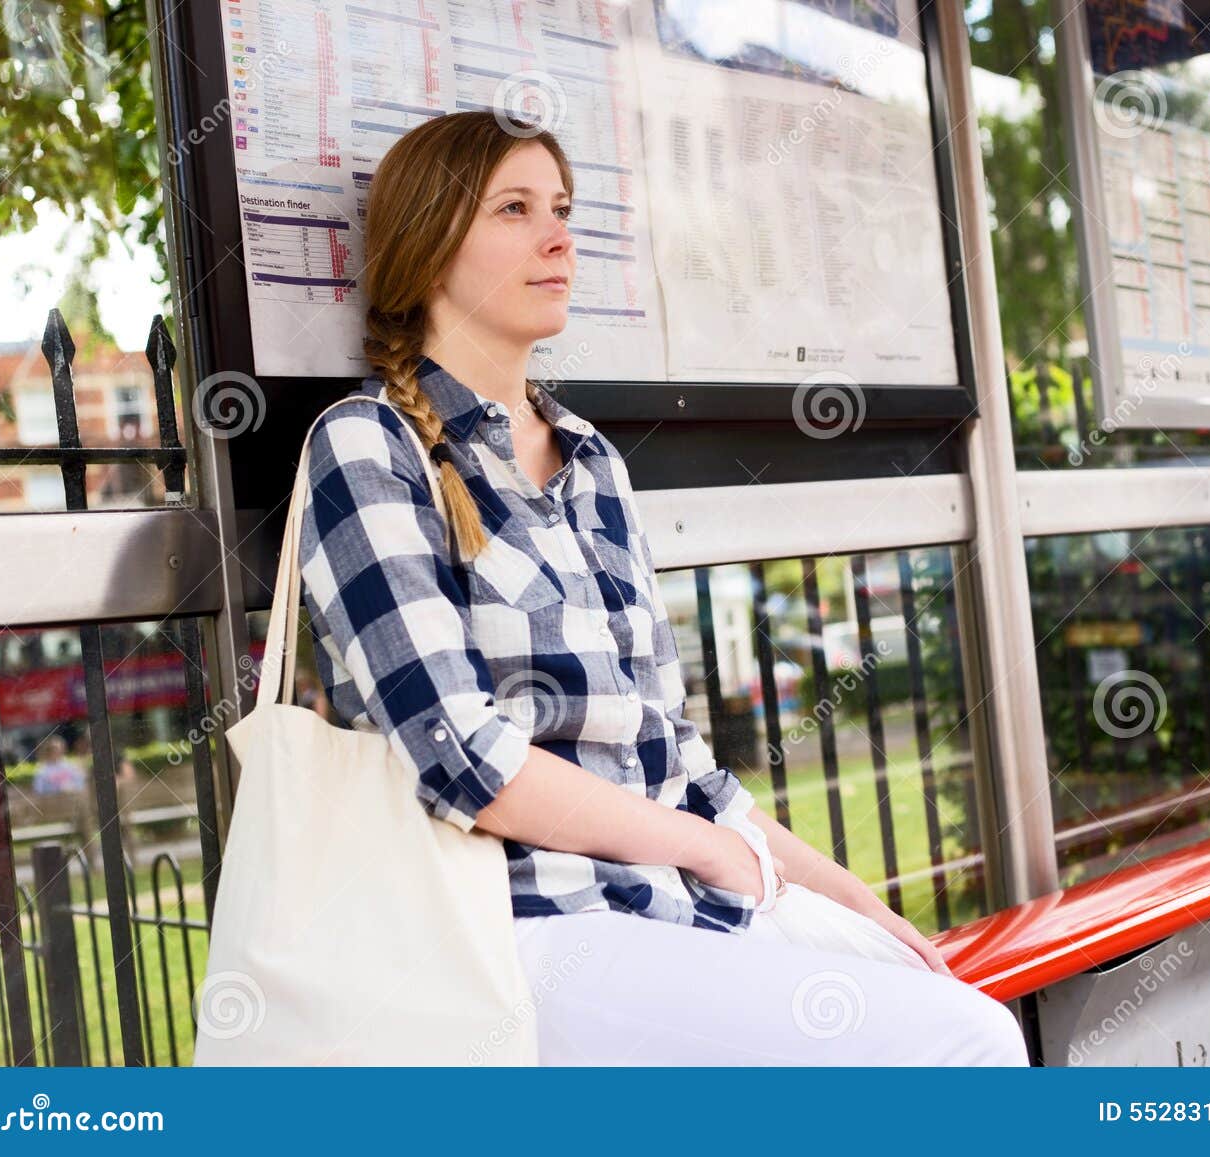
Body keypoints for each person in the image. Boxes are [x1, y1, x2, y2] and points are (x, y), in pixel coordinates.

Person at [296, 109, 1028, 1066]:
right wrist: (705, 849)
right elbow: (464, 757)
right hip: (519, 930)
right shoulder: (365, 445)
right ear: (429, 242)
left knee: (936, 992)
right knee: (965, 1045)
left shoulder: (592, 460)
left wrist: (845, 895)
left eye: (562, 209)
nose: (559, 237)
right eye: (515, 210)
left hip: (672, 907)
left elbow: (673, 754)